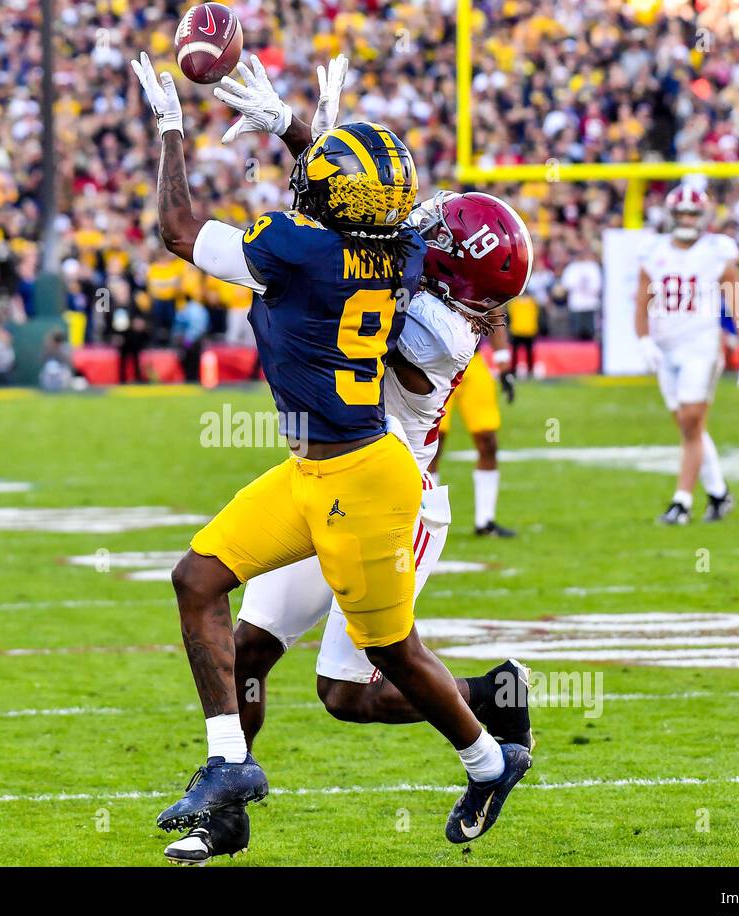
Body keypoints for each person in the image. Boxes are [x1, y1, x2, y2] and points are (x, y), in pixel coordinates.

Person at [132, 51, 530, 856]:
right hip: (323, 466)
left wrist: (187, 126)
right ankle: (227, 800)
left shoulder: (433, 327)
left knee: (352, 690)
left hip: (392, 491)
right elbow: (366, 217)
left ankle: (489, 731)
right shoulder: (415, 270)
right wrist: (297, 130)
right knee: (236, 631)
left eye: (438, 228)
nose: (423, 220)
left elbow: (328, 237)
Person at [634, 185, 739, 525]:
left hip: (701, 347)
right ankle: (719, 494)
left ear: (702, 217)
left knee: (691, 421)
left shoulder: (715, 251)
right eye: (683, 214)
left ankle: (682, 502)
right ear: (673, 216)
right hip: (665, 349)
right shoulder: (654, 250)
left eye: (693, 213)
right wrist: (644, 339)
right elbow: (641, 300)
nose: (688, 219)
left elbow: (738, 302)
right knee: (689, 427)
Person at [427, 322, 519, 537]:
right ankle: (427, 520)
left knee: (488, 441)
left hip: (472, 358)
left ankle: (485, 521)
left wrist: (503, 364)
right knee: (432, 444)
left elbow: (495, 309)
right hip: (434, 361)